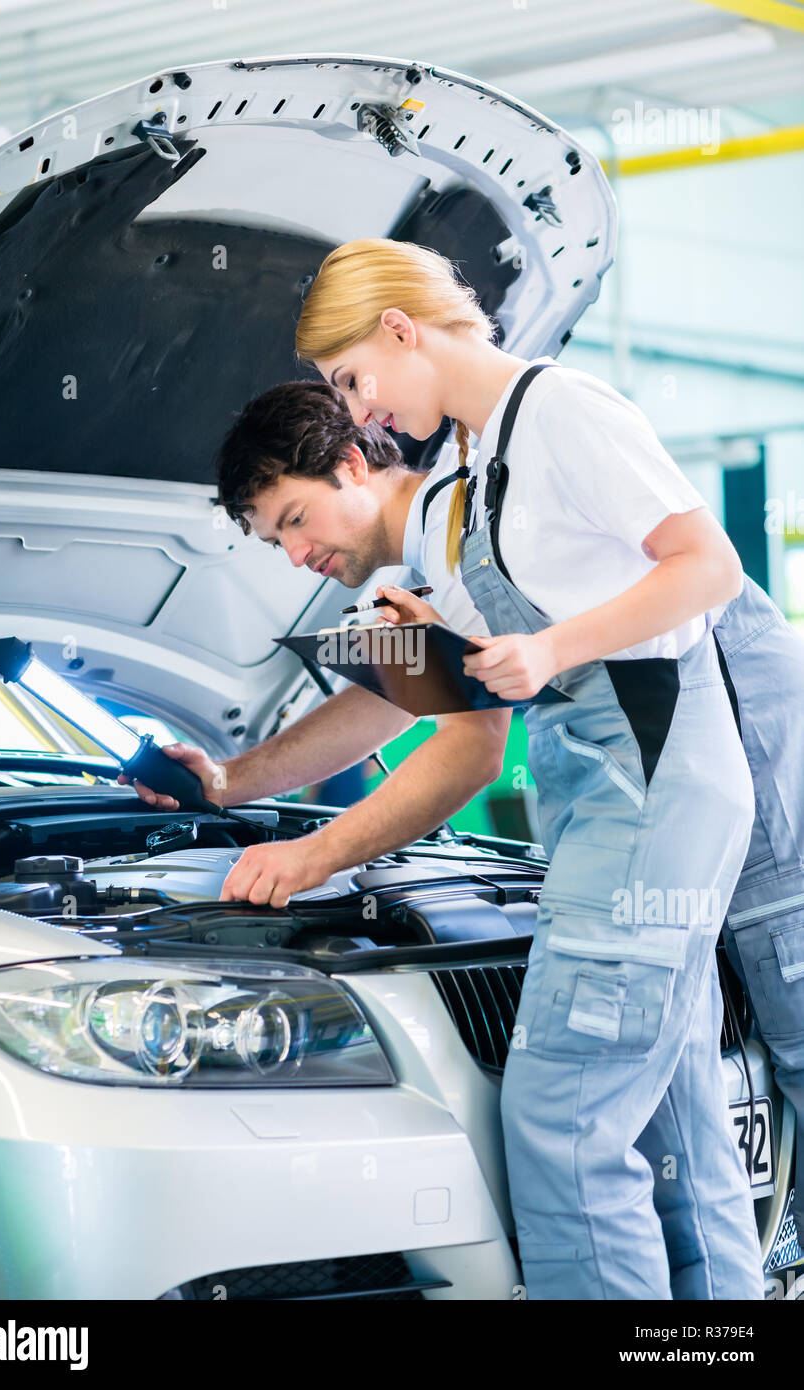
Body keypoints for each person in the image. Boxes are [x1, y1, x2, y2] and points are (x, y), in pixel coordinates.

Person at [289, 237, 767, 1300]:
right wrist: (235, 777)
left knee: (563, 1113)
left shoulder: (563, 413)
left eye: (353, 379)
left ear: (402, 329)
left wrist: (552, 648)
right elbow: (452, 683)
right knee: (676, 1120)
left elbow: (708, 563)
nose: (360, 411)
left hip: (654, 797)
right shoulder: (469, 467)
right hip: (606, 808)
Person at [120, 379, 512, 897]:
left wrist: (315, 855)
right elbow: (389, 700)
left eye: (297, 519)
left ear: (352, 464)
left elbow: (474, 749)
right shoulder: (423, 566)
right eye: (277, 540)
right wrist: (224, 780)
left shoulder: (464, 535)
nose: (297, 555)